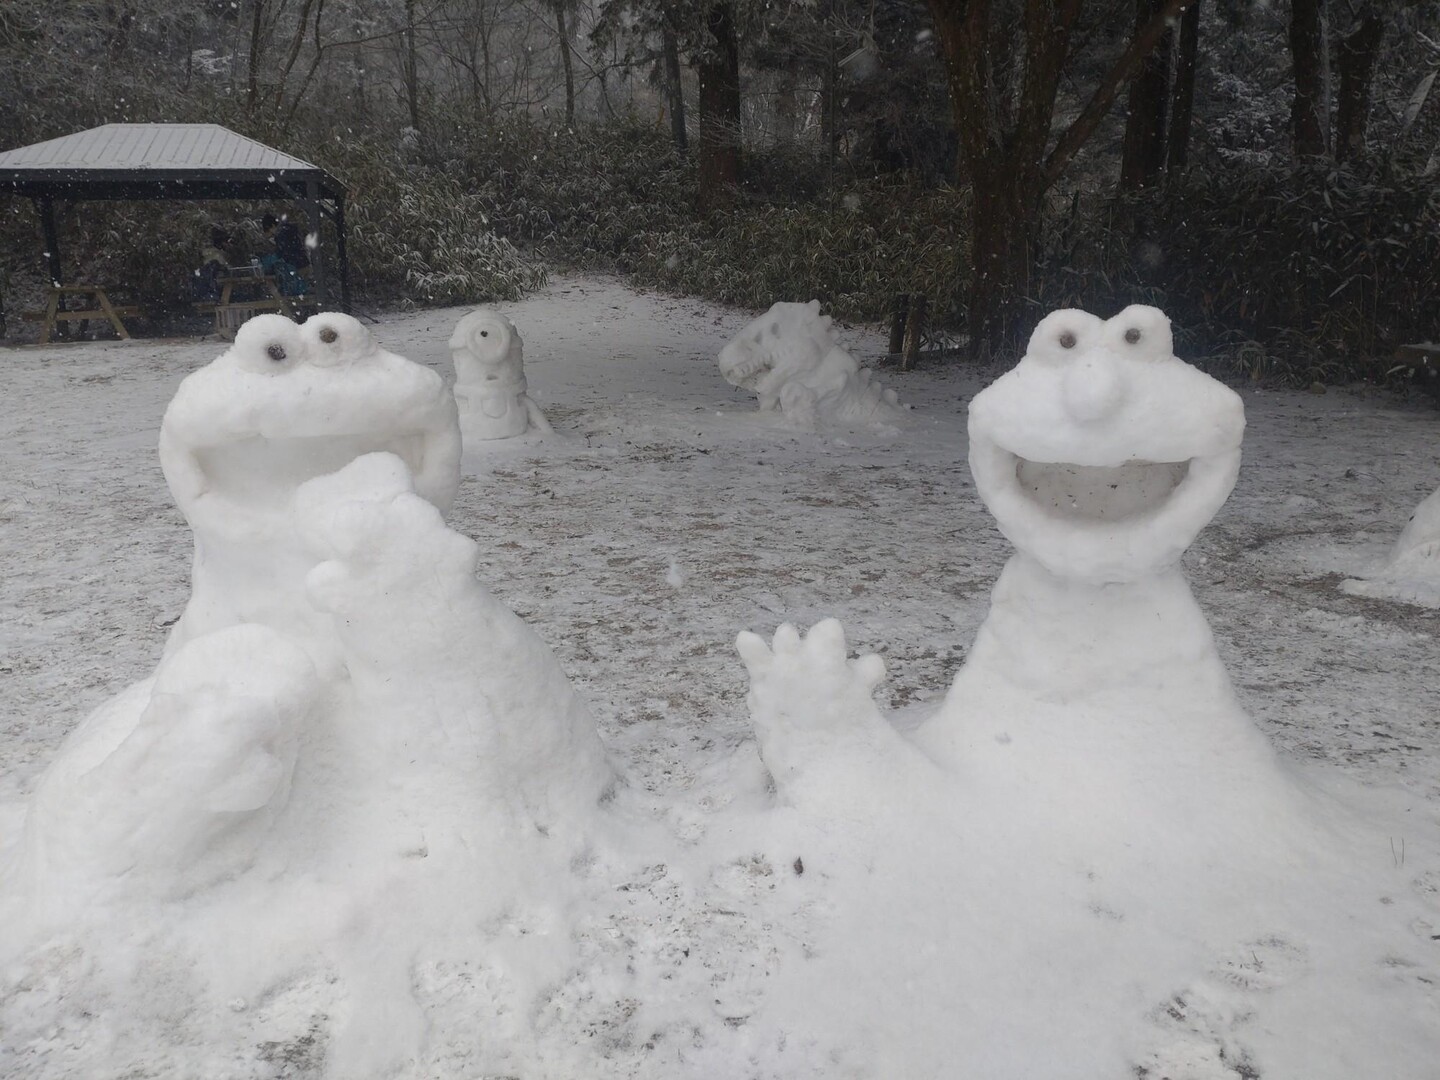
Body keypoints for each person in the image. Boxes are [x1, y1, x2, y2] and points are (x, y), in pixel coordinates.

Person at [259, 214, 309, 297]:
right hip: (301, 263)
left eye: (268, 231)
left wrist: (267, 262)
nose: (270, 234)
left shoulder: (283, 234)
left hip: (297, 266)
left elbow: (282, 253)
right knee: (299, 292)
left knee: (295, 293)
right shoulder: (287, 231)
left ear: (272, 226)